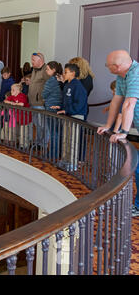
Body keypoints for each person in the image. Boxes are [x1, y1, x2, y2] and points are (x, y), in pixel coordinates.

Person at [97, 50, 139, 217]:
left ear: (117, 66)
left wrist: (124, 132)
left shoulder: (136, 74)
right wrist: (108, 125)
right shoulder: (123, 76)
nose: (108, 69)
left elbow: (129, 104)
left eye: (108, 66)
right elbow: (117, 100)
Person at [56, 63, 88, 171]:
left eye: (66, 72)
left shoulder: (78, 86)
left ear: (73, 73)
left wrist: (67, 110)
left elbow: (79, 103)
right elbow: (66, 101)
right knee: (66, 138)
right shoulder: (67, 85)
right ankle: (65, 159)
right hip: (67, 115)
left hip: (76, 115)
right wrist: (60, 107)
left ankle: (73, 163)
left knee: (73, 139)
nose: (63, 74)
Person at [42, 61, 64, 159]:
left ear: (53, 70)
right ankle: (58, 153)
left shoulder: (51, 80)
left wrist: (42, 97)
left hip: (51, 107)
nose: (46, 71)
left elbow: (44, 94)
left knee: (53, 132)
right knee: (58, 132)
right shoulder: (61, 79)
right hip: (59, 107)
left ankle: (52, 154)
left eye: (47, 69)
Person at [28, 52, 49, 147]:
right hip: (32, 102)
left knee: (43, 125)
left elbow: (49, 86)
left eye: (33, 60)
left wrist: (44, 100)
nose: (31, 61)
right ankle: (38, 142)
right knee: (37, 124)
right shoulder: (34, 69)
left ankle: (43, 144)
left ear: (40, 60)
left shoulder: (45, 70)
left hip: (40, 103)